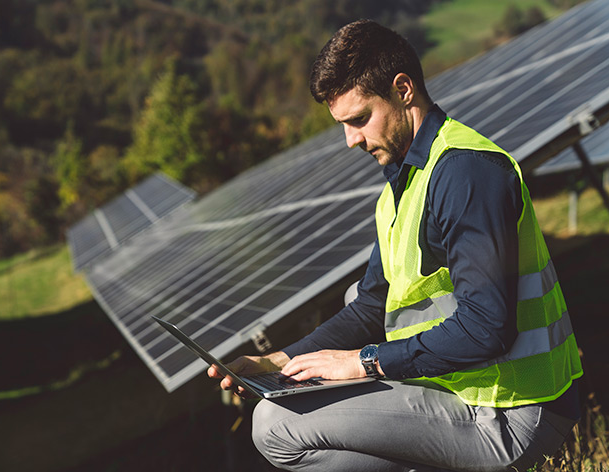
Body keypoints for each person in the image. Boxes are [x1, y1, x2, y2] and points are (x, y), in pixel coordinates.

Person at [208, 19, 583, 472]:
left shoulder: (465, 174)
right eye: (343, 125)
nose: (351, 140)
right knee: (351, 307)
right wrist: (279, 360)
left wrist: (363, 363)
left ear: (404, 90)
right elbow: (372, 305)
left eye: (360, 119)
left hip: (513, 413)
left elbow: (487, 328)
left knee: (276, 425)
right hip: (460, 391)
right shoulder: (404, 184)